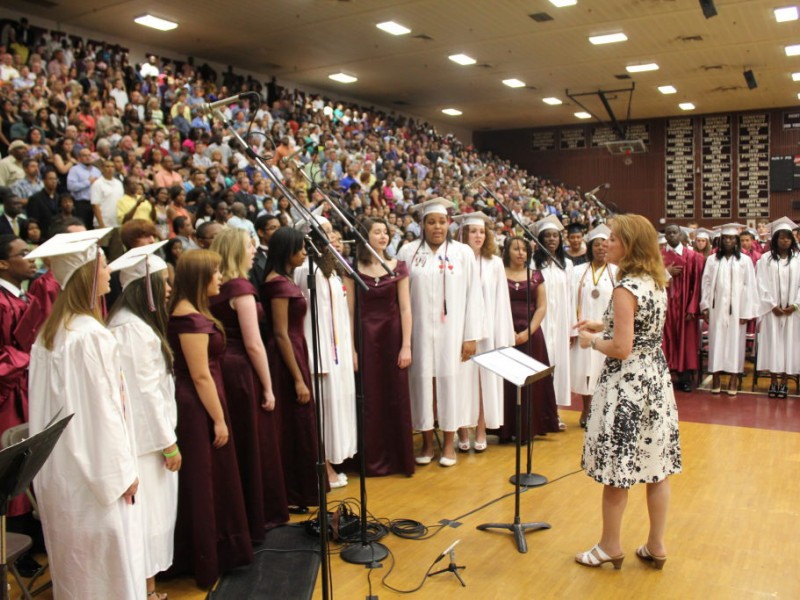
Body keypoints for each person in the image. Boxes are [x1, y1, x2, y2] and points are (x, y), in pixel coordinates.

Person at [27, 228, 146, 599]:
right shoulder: (87, 336)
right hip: (95, 473)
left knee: (77, 568)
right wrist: (121, 473)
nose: (110, 270)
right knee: (104, 572)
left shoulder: (53, 332)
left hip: (63, 471)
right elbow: (102, 413)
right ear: (87, 274)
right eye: (103, 264)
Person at [575, 214, 681, 571]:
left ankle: (609, 546)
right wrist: (600, 322)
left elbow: (621, 347)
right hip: (655, 380)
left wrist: (592, 341)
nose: (607, 244)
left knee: (616, 469)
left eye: (615, 239)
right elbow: (639, 325)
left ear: (631, 245)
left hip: (627, 388)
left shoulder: (624, 288)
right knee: (656, 468)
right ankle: (657, 545)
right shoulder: (655, 281)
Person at [167, 249, 253, 587]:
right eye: (215, 272)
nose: (221, 278)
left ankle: (217, 551)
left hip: (204, 400)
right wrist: (218, 419)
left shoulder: (193, 313)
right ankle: (204, 557)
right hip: (197, 407)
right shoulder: (188, 319)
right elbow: (200, 375)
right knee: (204, 482)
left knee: (215, 479)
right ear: (200, 277)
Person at [107, 242, 179, 600]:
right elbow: (144, 392)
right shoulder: (130, 328)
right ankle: (146, 591)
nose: (169, 289)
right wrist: (168, 442)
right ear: (143, 289)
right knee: (148, 518)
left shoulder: (131, 323)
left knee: (155, 516)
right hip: (144, 442)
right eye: (163, 282)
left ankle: (148, 589)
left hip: (147, 437)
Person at [210, 228, 288, 536]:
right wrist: (268, 386)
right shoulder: (240, 288)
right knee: (254, 439)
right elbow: (254, 343)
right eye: (249, 245)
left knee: (239, 441)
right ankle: (259, 514)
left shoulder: (216, 286)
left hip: (221, 367)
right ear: (234, 250)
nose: (254, 250)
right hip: (242, 368)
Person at [396, 198, 484, 467]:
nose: (437, 227)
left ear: (449, 224)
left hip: (453, 331)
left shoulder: (462, 253)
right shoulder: (408, 252)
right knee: (420, 383)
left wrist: (471, 336)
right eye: (431, 222)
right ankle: (425, 442)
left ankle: (449, 443)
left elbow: (474, 295)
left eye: (442, 222)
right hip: (419, 331)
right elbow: (400, 298)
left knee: (450, 384)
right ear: (422, 224)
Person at [260, 227, 320, 509]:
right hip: (286, 356)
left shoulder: (284, 279)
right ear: (288, 251)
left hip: (294, 349)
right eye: (300, 249)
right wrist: (297, 378)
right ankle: (291, 494)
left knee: (298, 425)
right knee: (292, 424)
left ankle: (298, 492)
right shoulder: (278, 285)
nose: (305, 253)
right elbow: (281, 333)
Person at [294, 216, 356, 486]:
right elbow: (307, 317)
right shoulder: (306, 271)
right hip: (319, 353)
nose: (332, 237)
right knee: (322, 413)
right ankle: (323, 468)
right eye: (326, 232)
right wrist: (316, 356)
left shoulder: (329, 268)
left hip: (337, 351)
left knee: (335, 409)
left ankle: (331, 462)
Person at [353, 217, 414, 476]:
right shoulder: (352, 267)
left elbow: (405, 308)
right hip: (364, 337)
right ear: (365, 236)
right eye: (376, 232)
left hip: (392, 337)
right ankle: (371, 460)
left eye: (385, 232)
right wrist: (351, 349)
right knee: (369, 398)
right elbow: (348, 310)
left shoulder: (397, 266)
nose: (382, 236)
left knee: (395, 395)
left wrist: (406, 345)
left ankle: (398, 459)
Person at [453, 212, 514, 452]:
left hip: (488, 334)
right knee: (460, 381)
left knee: (482, 383)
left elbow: (501, 300)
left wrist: (502, 334)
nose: (478, 236)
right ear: (463, 233)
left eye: (481, 232)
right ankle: (461, 430)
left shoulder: (494, 263)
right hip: (461, 332)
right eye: (473, 231)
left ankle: (480, 429)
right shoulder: (455, 259)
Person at [500, 236, 560, 441]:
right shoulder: (499, 274)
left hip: (531, 334)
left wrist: (528, 332)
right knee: (506, 382)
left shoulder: (535, 275)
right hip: (505, 334)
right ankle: (506, 430)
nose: (520, 253)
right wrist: (506, 331)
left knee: (532, 383)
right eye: (516, 249)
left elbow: (542, 306)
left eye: (524, 250)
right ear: (507, 251)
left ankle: (530, 428)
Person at [700, 224, 758, 395]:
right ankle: (716, 378)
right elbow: (706, 283)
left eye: (732, 238)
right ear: (720, 240)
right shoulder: (712, 260)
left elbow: (750, 286)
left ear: (736, 241)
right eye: (725, 238)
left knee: (736, 343)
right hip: (716, 308)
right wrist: (705, 306)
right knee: (716, 341)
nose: (728, 241)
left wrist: (747, 311)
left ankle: (733, 379)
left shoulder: (745, 261)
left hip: (738, 309)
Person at [570, 224, 617, 427]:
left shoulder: (617, 271)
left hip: (607, 330)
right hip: (584, 329)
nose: (600, 248)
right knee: (585, 371)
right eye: (596, 245)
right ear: (590, 247)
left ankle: (604, 410)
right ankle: (586, 408)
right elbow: (571, 299)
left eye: (604, 244)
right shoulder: (578, 271)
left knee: (604, 370)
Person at [532, 214, 573, 426]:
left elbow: (572, 297)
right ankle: (538, 414)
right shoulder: (533, 264)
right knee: (539, 366)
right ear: (539, 239)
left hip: (561, 324)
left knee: (558, 365)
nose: (551, 239)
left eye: (555, 236)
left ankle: (554, 413)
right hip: (542, 322)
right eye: (546, 236)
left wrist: (572, 329)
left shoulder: (567, 266)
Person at [755, 218, 800, 398]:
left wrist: (795, 304)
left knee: (789, 346)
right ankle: (773, 381)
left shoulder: (798, 259)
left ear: (792, 240)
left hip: (792, 312)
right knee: (773, 345)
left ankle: (784, 383)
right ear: (775, 239)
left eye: (788, 238)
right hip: (771, 311)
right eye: (781, 238)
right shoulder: (765, 260)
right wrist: (772, 305)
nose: (785, 241)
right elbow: (760, 284)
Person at [660, 223, 704, 392]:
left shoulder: (693, 257)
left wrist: (692, 308)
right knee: (667, 340)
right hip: (666, 307)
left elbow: (697, 285)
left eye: (674, 232)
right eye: (668, 233)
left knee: (685, 341)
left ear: (681, 234)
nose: (671, 235)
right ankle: (667, 375)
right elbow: (652, 280)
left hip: (685, 306)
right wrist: (667, 272)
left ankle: (684, 378)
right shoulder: (658, 257)